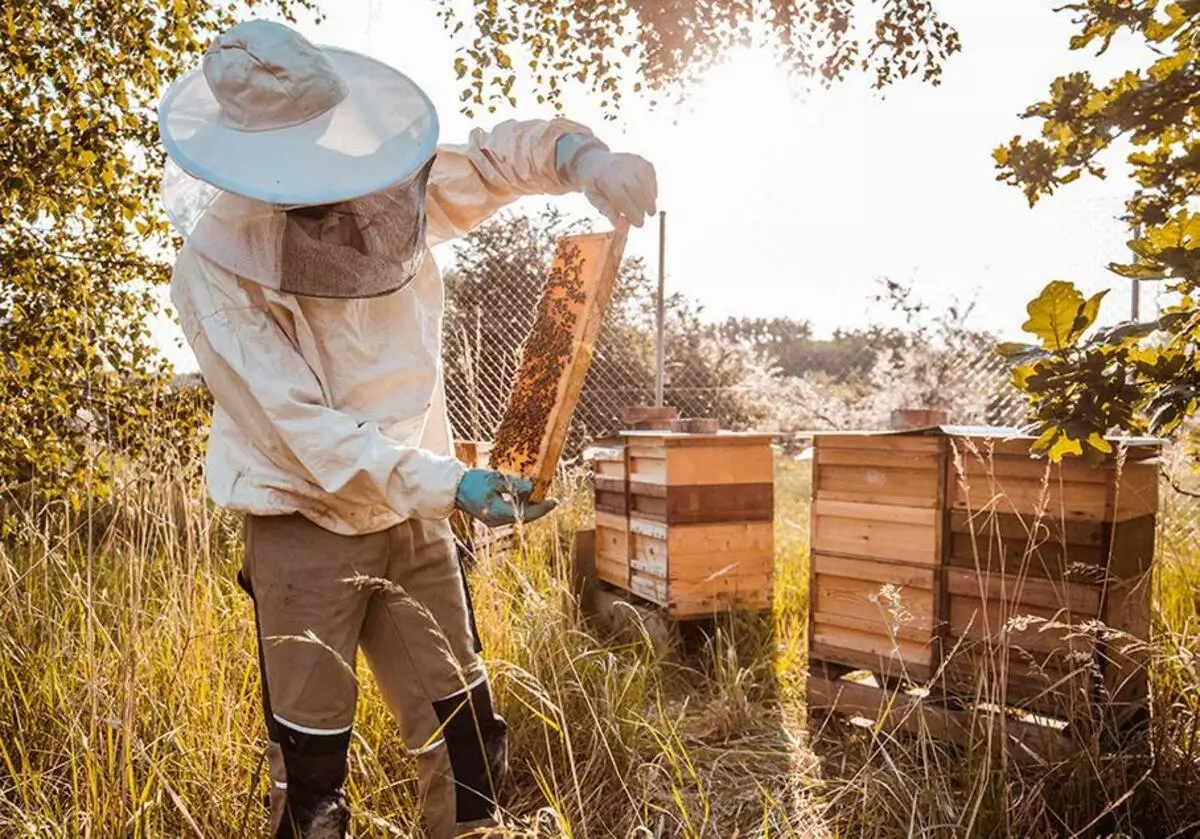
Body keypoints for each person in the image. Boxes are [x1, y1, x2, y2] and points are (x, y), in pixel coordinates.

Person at [158, 18, 657, 839]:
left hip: (416, 516)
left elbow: (497, 160)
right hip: (304, 523)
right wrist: (452, 485)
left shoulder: (391, 178)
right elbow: (305, 435)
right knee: (313, 787)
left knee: (471, 753)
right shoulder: (215, 269)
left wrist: (582, 157)